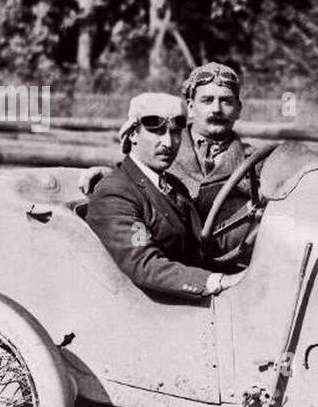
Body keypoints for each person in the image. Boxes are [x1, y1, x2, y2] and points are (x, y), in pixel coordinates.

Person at [85, 92, 225, 300]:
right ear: (133, 134)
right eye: (157, 132)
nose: (168, 143)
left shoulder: (173, 184)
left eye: (175, 133)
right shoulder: (116, 192)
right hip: (151, 309)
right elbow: (145, 265)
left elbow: (200, 243)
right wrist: (216, 281)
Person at [175, 62, 254, 252]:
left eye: (226, 101)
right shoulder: (164, 150)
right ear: (191, 107)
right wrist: (101, 173)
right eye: (207, 100)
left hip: (233, 268)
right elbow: (134, 176)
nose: (217, 109)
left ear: (239, 109)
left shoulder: (257, 161)